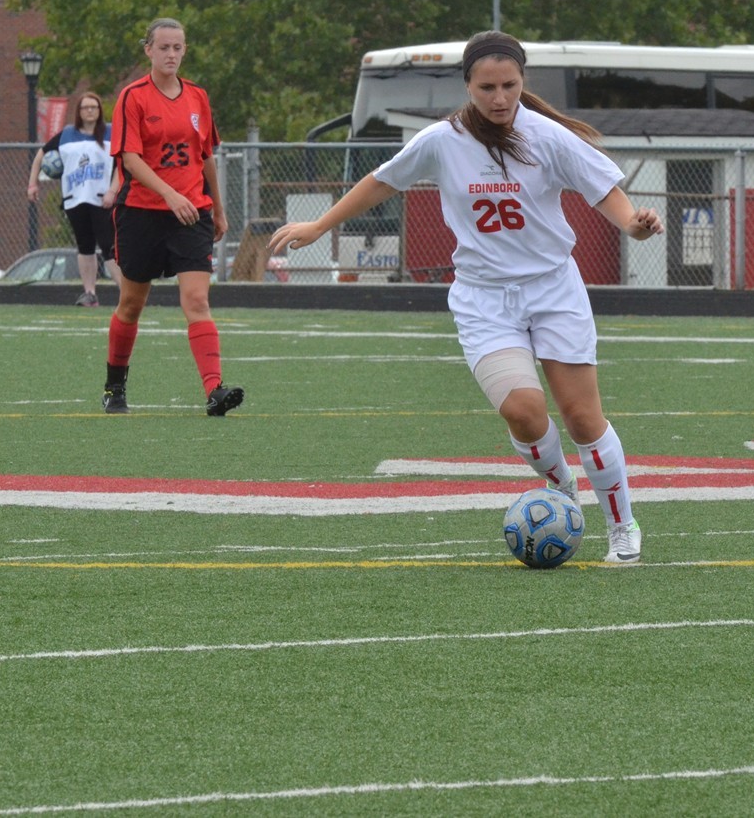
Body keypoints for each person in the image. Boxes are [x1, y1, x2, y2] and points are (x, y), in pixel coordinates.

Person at [268, 31, 664, 564]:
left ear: (522, 82)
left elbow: (607, 195)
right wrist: (319, 225)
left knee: (581, 418)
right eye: (487, 88)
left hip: (553, 289)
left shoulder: (547, 136)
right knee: (524, 413)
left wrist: (634, 225)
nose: (500, 98)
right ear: (467, 86)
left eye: (510, 86)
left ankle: (622, 526)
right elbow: (383, 181)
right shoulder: (442, 140)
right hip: (483, 298)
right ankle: (562, 491)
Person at [102, 17, 242, 417]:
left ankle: (214, 390)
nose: (171, 54)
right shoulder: (133, 97)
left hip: (191, 213)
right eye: (163, 47)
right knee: (131, 304)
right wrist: (169, 193)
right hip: (142, 214)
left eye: (177, 48)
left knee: (197, 300)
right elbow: (130, 159)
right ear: (148, 50)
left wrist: (218, 209)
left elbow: (206, 156)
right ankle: (114, 386)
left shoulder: (198, 96)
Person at [27, 90, 120, 306]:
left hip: (102, 198)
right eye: (85, 107)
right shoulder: (67, 134)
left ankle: (126, 293)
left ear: (99, 110)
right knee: (84, 245)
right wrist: (33, 183)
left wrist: (113, 191)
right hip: (75, 198)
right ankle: (89, 293)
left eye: (94, 107)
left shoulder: (111, 133)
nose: (90, 111)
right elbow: (41, 155)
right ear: (79, 111)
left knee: (108, 245)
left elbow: (123, 164)